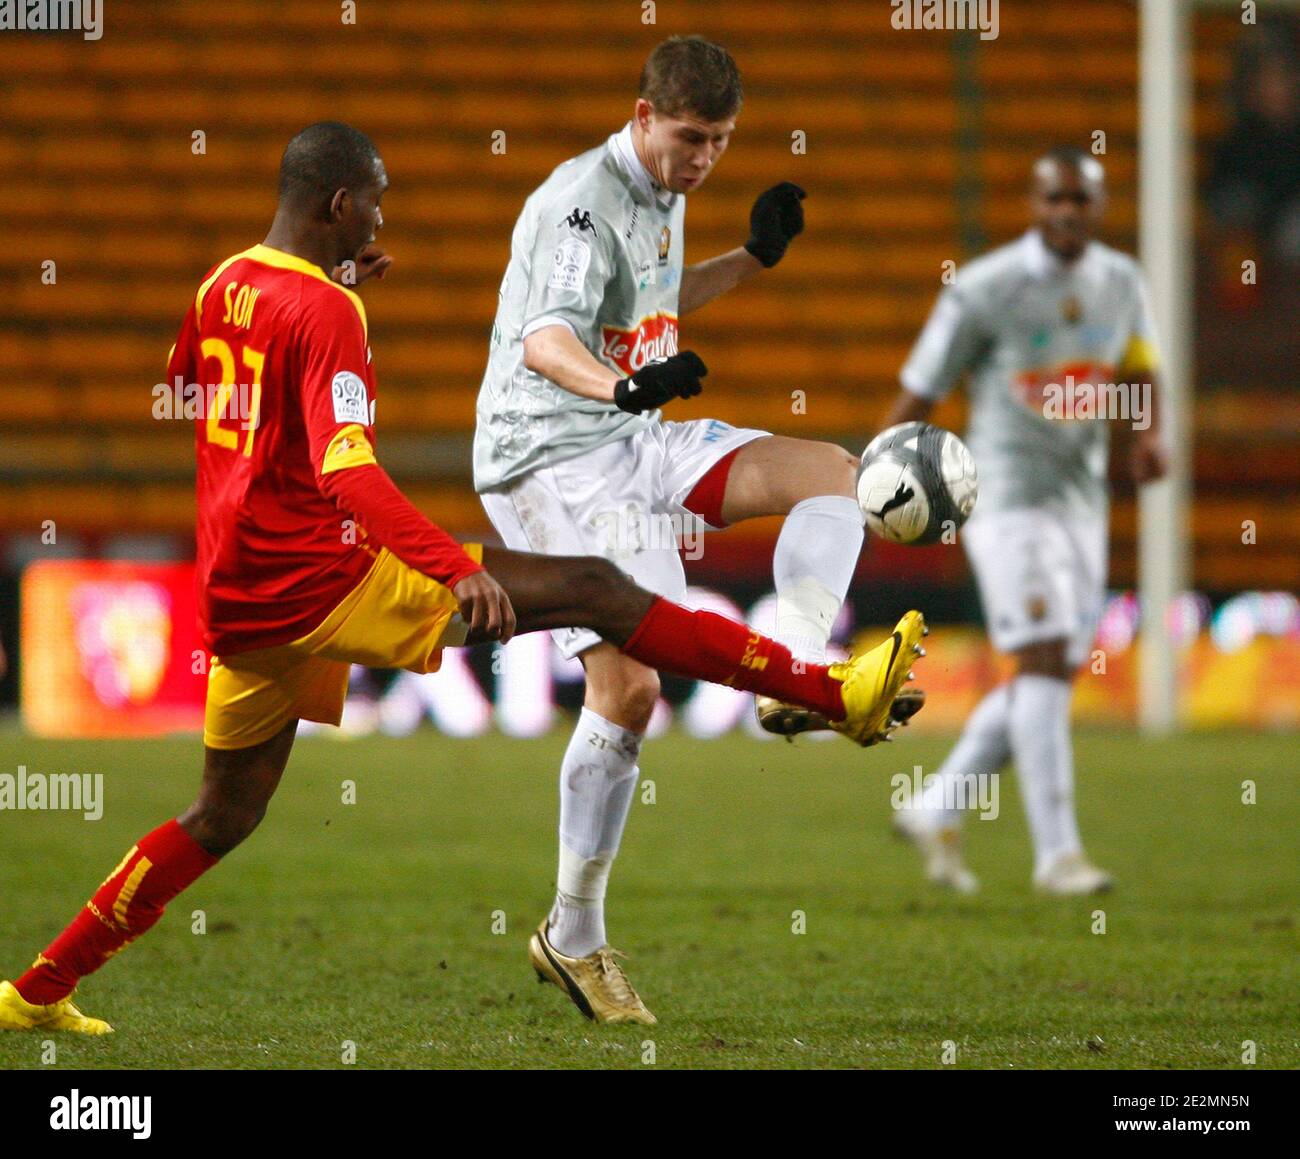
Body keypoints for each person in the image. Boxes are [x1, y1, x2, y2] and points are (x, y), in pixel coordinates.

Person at [0, 121, 925, 1035]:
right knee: (602, 590)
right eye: (375, 200)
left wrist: (334, 290)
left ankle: (37, 989)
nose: (381, 216)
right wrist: (450, 564)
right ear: (339, 202)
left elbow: (204, 389)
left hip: (240, 593)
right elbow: (349, 473)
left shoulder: (223, 286)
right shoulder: (329, 309)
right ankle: (830, 687)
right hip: (325, 579)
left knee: (220, 813)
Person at [473, 35, 911, 1024]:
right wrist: (622, 382)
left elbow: (656, 307)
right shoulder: (579, 205)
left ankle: (795, 670)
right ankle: (572, 934)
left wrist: (752, 261)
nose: (703, 158)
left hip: (631, 434)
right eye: (688, 137)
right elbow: (548, 341)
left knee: (836, 475)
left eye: (718, 141)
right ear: (641, 118)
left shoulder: (662, 195)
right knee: (629, 692)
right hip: (548, 455)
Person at [887, 147, 1168, 895]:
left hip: (1082, 499)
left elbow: (1142, 367)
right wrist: (878, 476)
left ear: (1098, 207)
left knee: (1053, 669)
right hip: (1006, 496)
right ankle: (1058, 856)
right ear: (1033, 206)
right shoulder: (986, 289)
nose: (1068, 211)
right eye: (1055, 199)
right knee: (1042, 654)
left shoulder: (1120, 280)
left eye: (1081, 199)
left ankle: (938, 804)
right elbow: (922, 387)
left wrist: (1147, 436)